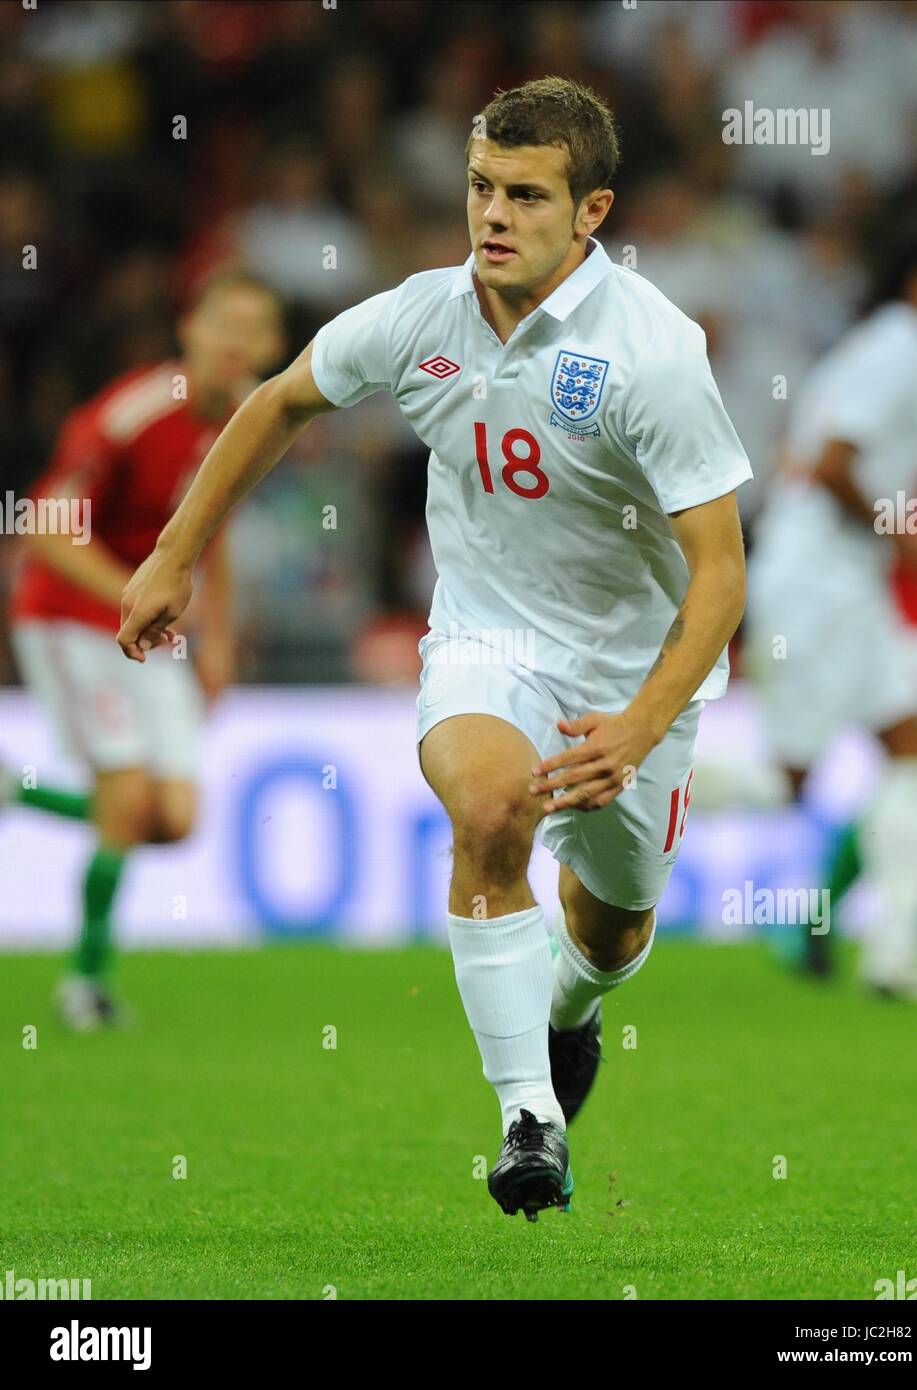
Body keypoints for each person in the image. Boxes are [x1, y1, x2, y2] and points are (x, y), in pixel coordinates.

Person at [116, 78, 752, 1220]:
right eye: (478, 187)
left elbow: (719, 572)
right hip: (484, 636)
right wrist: (173, 556)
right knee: (489, 811)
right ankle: (526, 1118)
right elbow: (276, 402)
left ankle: (570, 1011)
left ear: (590, 211)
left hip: (633, 668)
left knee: (611, 930)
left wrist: (641, 725)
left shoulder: (653, 352)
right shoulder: (422, 314)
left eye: (524, 194)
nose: (491, 215)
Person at [1, 272, 284, 1029]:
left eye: (251, 332)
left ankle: (17, 793)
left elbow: (206, 531)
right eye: (222, 325)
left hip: (149, 623)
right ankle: (85, 984)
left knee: (175, 817)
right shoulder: (132, 414)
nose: (234, 345)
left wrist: (218, 638)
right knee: (127, 802)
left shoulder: (250, 419)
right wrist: (137, 592)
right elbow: (44, 527)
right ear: (188, 328)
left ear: (271, 347)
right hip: (67, 615)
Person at [745, 225, 917, 1004]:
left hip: (845, 580)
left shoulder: (903, 351)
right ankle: (623, 778)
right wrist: (906, 533)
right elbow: (835, 464)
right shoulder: (901, 348)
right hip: (817, 581)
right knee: (788, 784)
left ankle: (895, 954)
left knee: (913, 746)